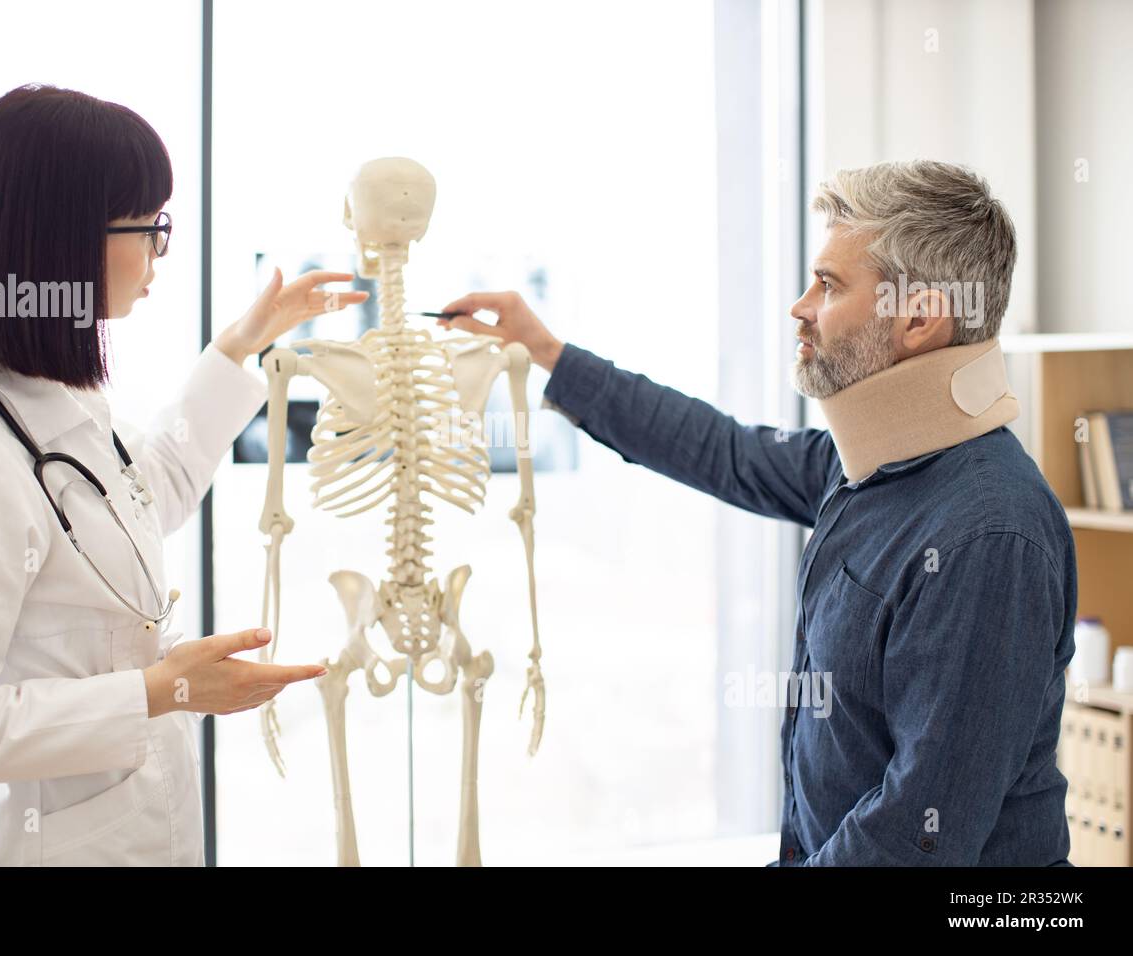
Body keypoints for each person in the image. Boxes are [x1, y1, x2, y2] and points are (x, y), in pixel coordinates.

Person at [439, 160, 1076, 866]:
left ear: (921, 317)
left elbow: (918, 833)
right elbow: (724, 451)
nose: (801, 307)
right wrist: (548, 354)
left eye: (829, 285)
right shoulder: (864, 468)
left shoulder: (991, 538)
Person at [0, 84, 367, 866]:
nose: (158, 255)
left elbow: (151, 492)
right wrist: (160, 691)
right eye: (151, 228)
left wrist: (241, 345)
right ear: (63, 240)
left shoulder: (51, 392)